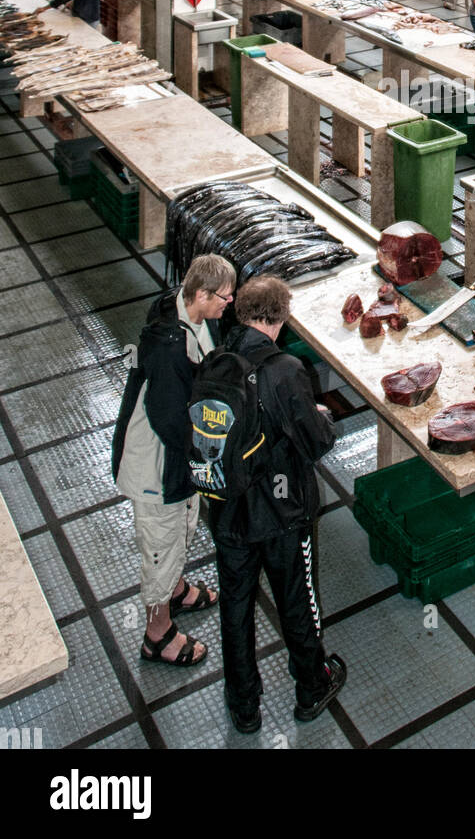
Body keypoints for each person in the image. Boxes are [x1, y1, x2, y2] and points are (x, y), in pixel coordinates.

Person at [208, 276, 344, 733]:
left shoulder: (217, 360)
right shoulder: (285, 369)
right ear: (281, 316)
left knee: (235, 606)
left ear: (241, 313)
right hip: (282, 512)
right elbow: (314, 442)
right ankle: (311, 686)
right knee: (297, 601)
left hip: (227, 511)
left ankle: (243, 705)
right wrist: (324, 420)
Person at [111, 254, 235, 668]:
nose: (229, 302)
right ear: (200, 293)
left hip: (175, 464)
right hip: (157, 469)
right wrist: (218, 449)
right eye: (224, 295)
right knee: (161, 547)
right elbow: (170, 423)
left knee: (181, 527)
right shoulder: (167, 348)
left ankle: (177, 589)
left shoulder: (189, 313)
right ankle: (157, 632)